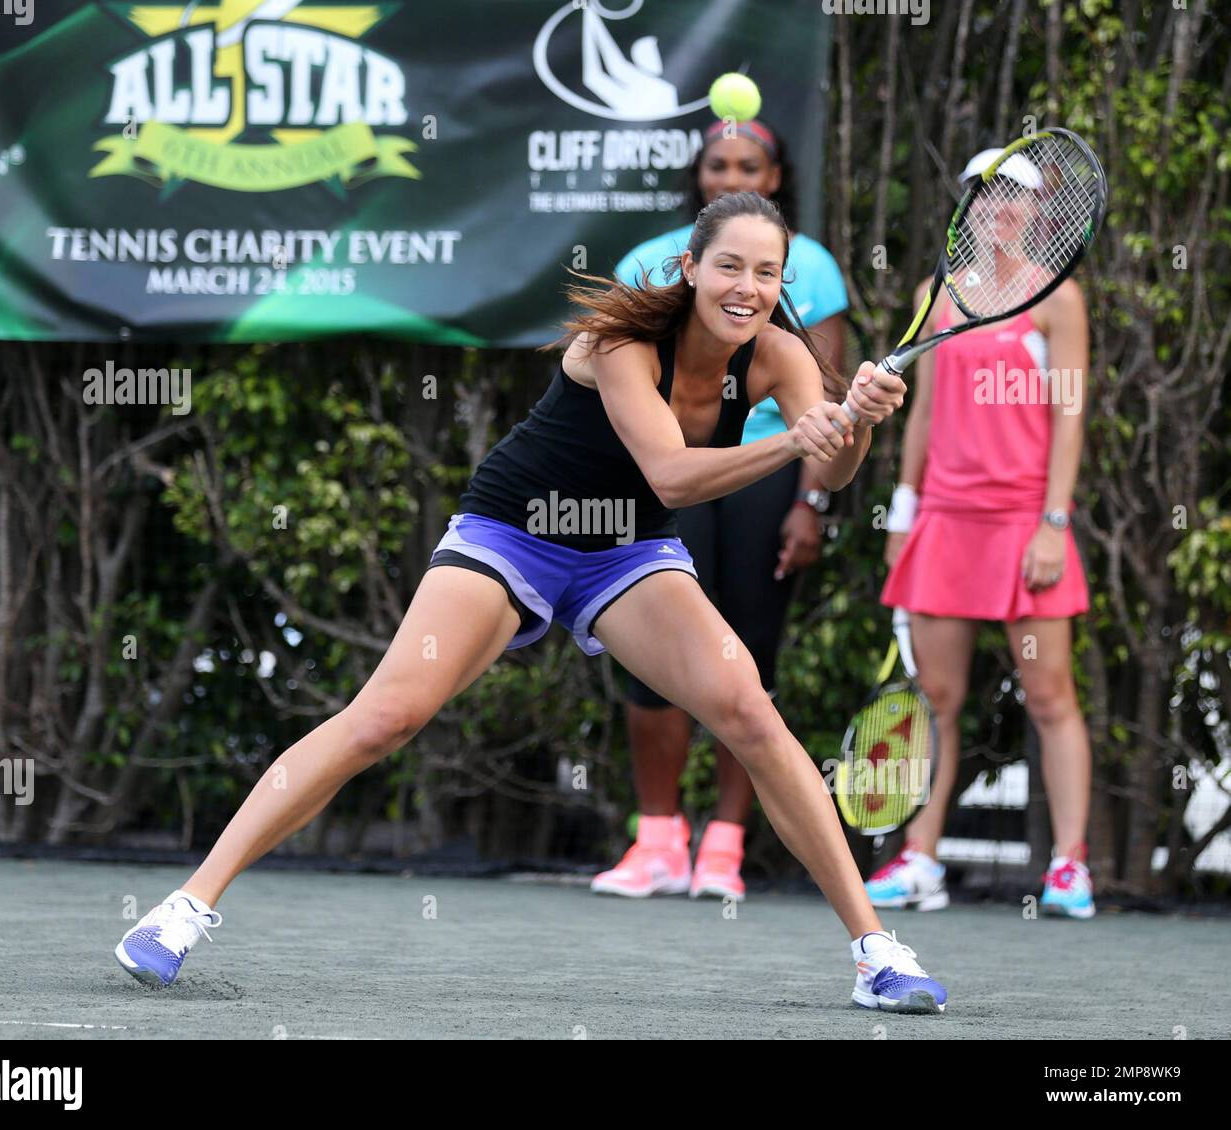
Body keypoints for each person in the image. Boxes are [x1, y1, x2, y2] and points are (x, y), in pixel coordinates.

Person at [115, 190, 948, 1013]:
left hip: (627, 550)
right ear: (691, 267)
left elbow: (833, 471)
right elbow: (669, 472)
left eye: (768, 273)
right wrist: (791, 446)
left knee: (751, 713)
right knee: (387, 717)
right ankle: (182, 910)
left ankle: (876, 954)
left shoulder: (779, 356)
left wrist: (858, 424)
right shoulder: (619, 338)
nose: (748, 287)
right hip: (514, 531)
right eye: (729, 265)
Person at [592, 115, 846, 902]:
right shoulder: (648, 263)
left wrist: (815, 494)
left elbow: (828, 409)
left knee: (748, 661)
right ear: (692, 263)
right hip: (670, 470)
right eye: (717, 163)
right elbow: (633, 416)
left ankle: (725, 850)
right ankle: (658, 839)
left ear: (775, 179)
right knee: (657, 657)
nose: (731, 174)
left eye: (748, 163)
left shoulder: (811, 266)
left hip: (769, 485)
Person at [866, 147, 1095, 919]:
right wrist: (903, 514)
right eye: (988, 194)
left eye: (1017, 196)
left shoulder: (1058, 300)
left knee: (1050, 695)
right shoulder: (938, 294)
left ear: (1040, 212)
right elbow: (923, 412)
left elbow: (1070, 416)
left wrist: (1052, 525)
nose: (1001, 207)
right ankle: (919, 861)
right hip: (944, 521)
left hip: (1027, 523)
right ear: (968, 206)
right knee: (934, 696)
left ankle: (1070, 868)